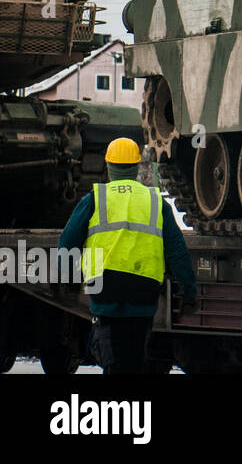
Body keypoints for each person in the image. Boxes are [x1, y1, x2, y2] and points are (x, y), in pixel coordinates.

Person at [59, 137, 197, 373]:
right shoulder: (155, 201)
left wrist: (70, 280)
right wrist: (188, 291)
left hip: (105, 290)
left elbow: (67, 242)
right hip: (143, 292)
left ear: (108, 166)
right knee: (135, 359)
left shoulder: (95, 198)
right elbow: (177, 251)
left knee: (112, 358)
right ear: (136, 166)